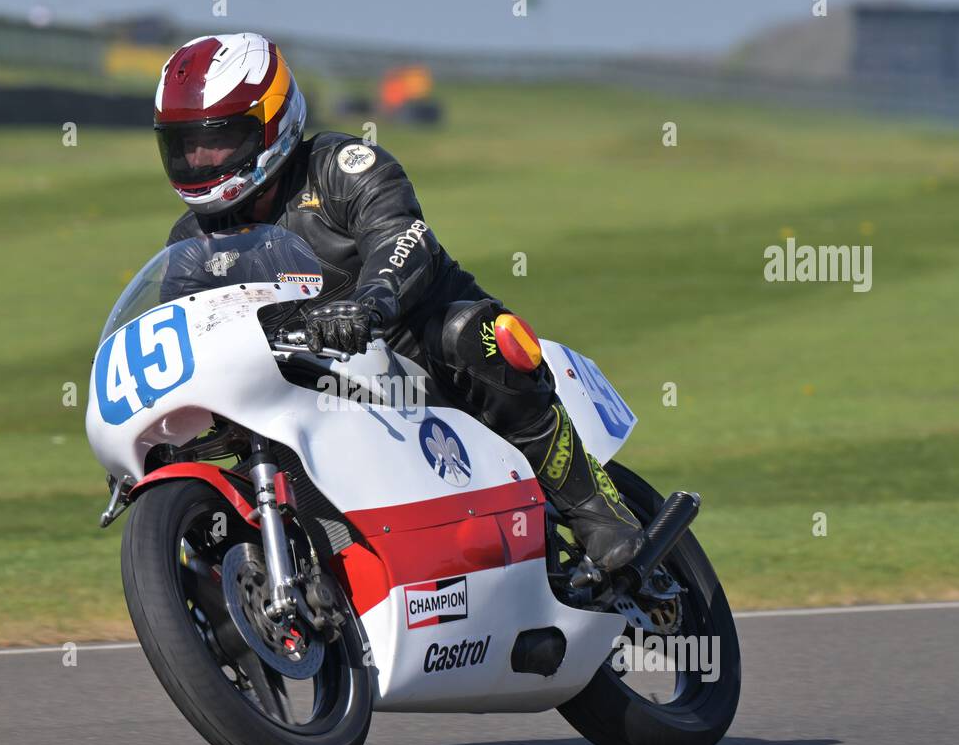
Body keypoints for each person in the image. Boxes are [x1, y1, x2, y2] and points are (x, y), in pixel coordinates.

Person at [154, 33, 643, 571]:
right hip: (315, 391)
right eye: (185, 144)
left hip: (413, 349)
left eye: (218, 140)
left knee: (475, 336)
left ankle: (595, 508)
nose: (200, 157)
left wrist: (371, 303)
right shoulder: (190, 243)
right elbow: (185, 334)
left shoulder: (343, 166)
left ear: (272, 123)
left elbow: (403, 237)